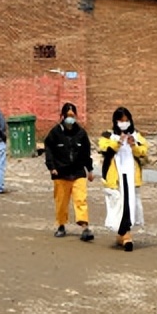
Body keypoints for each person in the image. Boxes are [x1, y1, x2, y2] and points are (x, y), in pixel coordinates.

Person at [97, 106, 149, 250]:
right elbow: (104, 148)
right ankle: (123, 235)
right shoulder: (108, 135)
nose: (124, 123)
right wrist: (118, 142)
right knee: (118, 205)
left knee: (130, 205)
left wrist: (133, 145)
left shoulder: (136, 135)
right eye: (121, 120)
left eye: (126, 120)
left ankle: (126, 235)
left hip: (132, 177)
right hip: (116, 178)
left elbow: (143, 152)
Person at [44, 102, 94, 241]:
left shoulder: (81, 133)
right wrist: (52, 167)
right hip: (61, 172)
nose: (70, 118)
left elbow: (86, 153)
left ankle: (85, 227)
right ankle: (61, 225)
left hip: (78, 172)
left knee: (80, 199)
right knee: (61, 201)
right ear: (63, 116)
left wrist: (89, 170)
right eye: (68, 115)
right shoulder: (55, 133)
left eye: (73, 115)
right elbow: (49, 151)